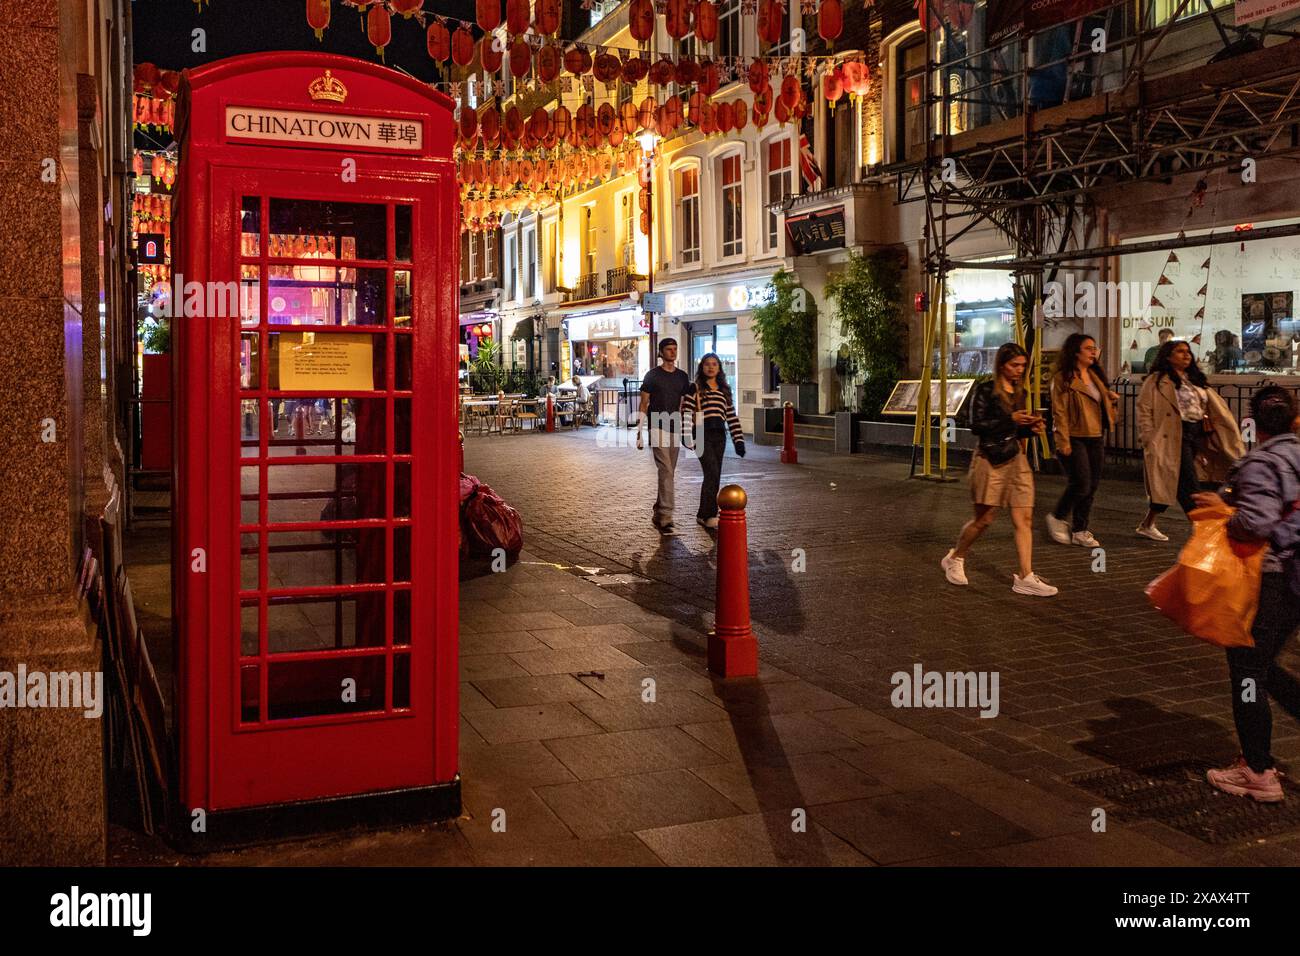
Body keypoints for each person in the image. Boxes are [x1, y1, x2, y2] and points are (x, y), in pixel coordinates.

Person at [1197, 387, 1300, 802]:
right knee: (1265, 663)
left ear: (1253, 424)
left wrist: (1223, 513)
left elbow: (1255, 523)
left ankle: (1258, 771)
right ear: (1294, 420)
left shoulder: (1260, 462)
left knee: (1247, 669)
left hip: (1274, 576)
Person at [942, 343, 1058, 597]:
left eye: (1022, 366)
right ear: (1001, 365)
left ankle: (1025, 576)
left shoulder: (1020, 392)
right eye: (1014, 365)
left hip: (1016, 458)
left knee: (1024, 518)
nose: (1019, 370)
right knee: (985, 519)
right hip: (991, 458)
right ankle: (956, 557)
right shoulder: (985, 390)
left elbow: (1015, 429)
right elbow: (976, 425)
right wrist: (1011, 419)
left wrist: (1031, 427)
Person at [1135, 339, 1243, 540]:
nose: (1186, 355)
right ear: (1168, 356)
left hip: (1196, 434)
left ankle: (1147, 523)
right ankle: (1202, 528)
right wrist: (1148, 437)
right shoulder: (1158, 380)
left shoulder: (1194, 379)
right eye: (1180, 351)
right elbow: (1144, 409)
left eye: (1188, 352)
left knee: (1171, 482)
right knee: (1188, 483)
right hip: (1172, 435)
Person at [1046, 333, 1119, 548]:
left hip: (1096, 436)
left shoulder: (1095, 375)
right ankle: (1057, 516)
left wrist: (1110, 398)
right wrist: (1063, 441)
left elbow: (1099, 402)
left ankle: (1080, 529)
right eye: (1088, 348)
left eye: (1094, 348)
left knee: (1092, 486)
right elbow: (1059, 411)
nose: (1093, 352)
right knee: (1081, 483)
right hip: (1075, 436)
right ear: (1075, 352)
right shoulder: (1063, 378)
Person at [681, 353, 746, 529]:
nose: (711, 367)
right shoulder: (694, 387)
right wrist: (686, 435)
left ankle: (704, 513)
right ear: (702, 367)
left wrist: (738, 439)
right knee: (711, 472)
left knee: (715, 475)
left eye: (714, 364)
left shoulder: (725, 389)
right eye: (707, 364)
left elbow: (731, 416)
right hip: (701, 434)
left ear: (719, 368)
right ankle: (708, 514)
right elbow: (686, 411)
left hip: (720, 436)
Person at [637, 338, 691, 533]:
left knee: (669, 472)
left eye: (675, 349)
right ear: (661, 352)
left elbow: (684, 405)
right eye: (669, 349)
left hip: (674, 427)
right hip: (656, 426)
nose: (673, 352)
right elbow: (644, 404)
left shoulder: (682, 377)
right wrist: (639, 431)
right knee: (666, 470)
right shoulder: (652, 376)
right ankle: (666, 516)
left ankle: (658, 509)